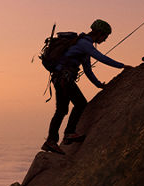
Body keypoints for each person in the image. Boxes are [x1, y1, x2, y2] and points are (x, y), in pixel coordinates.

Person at [42, 19, 132, 154]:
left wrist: (98, 85)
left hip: (59, 78)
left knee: (61, 110)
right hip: (64, 79)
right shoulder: (85, 44)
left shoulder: (82, 45)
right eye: (105, 36)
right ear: (100, 33)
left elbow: (88, 70)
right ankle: (68, 133)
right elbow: (102, 58)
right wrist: (122, 66)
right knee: (81, 104)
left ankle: (52, 141)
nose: (105, 40)